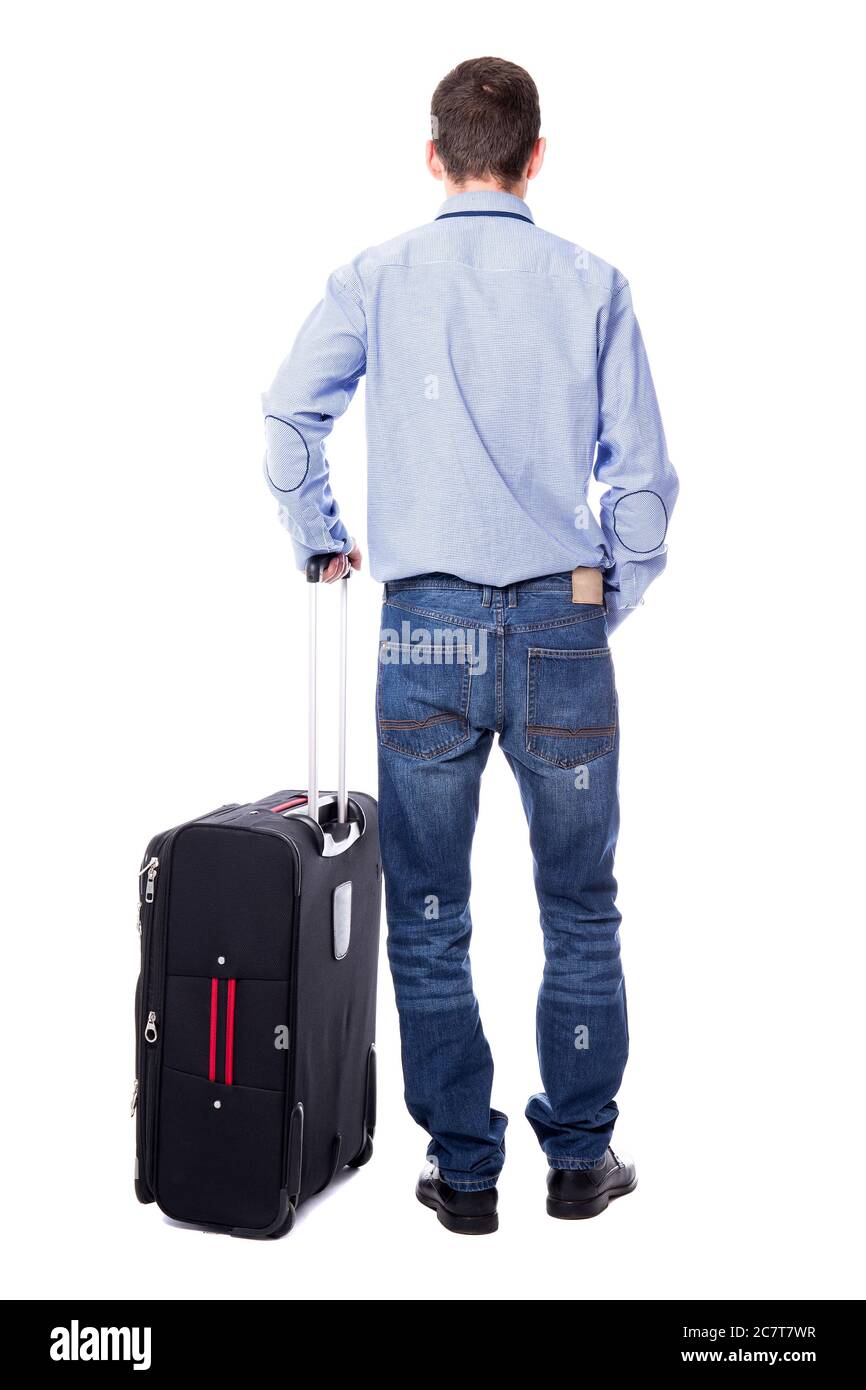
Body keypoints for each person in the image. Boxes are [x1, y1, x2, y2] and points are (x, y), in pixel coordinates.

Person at [262, 56, 678, 1234]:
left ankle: (465, 1171)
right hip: (562, 626)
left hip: (425, 632)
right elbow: (640, 491)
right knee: (581, 904)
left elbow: (290, 414)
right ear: (534, 157)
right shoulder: (592, 283)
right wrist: (602, 604)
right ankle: (580, 1161)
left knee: (431, 912)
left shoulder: (377, 275)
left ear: (434, 157)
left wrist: (321, 541)